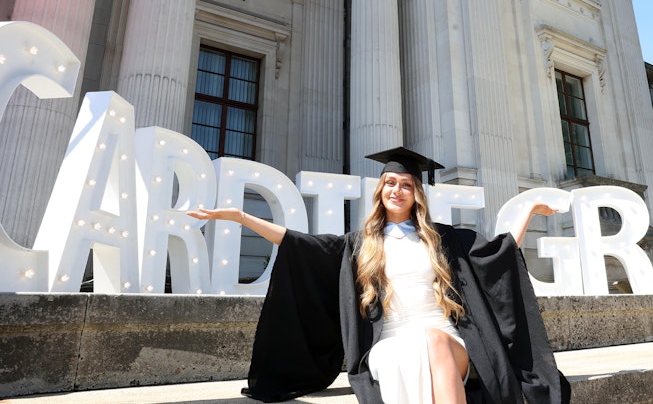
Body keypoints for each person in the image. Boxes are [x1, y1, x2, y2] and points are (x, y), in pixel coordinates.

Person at [188, 147, 570, 403]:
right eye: (390, 183)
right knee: (421, 348)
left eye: (406, 185)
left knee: (435, 341)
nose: (397, 190)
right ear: (380, 190)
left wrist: (529, 210)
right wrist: (241, 217)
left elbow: (499, 257)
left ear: (416, 193)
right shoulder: (359, 245)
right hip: (390, 344)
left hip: (448, 341)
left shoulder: (444, 240)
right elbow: (299, 244)